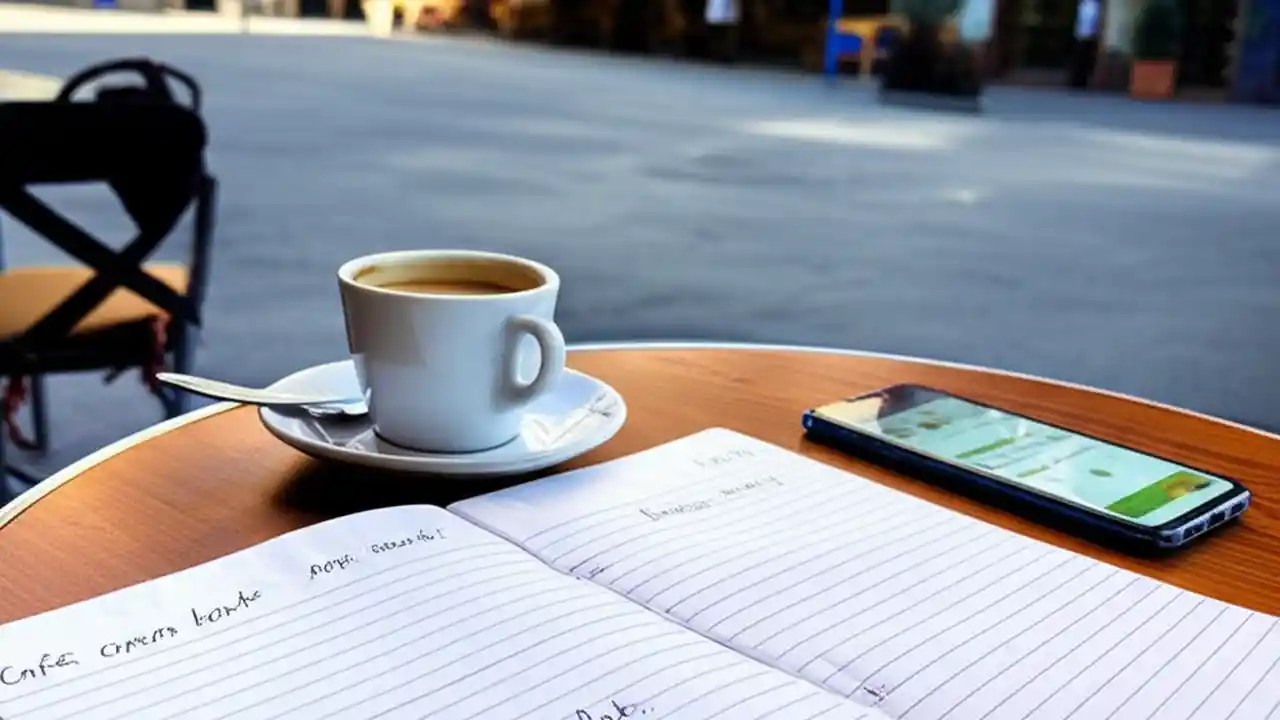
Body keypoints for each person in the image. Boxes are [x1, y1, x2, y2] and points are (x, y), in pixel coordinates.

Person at [1069, 0, 1101, 88]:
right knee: (1080, 60)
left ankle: (1080, 81)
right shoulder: (1084, 5)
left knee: (1083, 61)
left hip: (1086, 37)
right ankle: (1078, 80)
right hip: (1083, 36)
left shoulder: (1093, 5)